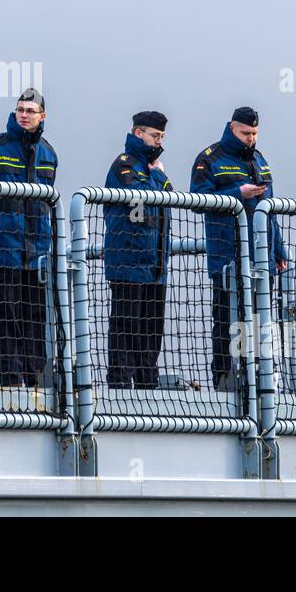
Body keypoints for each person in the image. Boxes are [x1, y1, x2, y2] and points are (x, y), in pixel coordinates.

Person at [191, 106, 288, 390]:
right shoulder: (209, 159)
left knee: (258, 323)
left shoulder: (260, 160)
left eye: (255, 133)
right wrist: (237, 194)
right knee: (226, 321)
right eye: (246, 133)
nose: (251, 138)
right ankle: (224, 379)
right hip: (227, 260)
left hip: (261, 260)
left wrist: (279, 250)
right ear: (232, 128)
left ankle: (257, 381)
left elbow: (269, 211)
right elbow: (197, 200)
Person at [0, 89, 58, 387]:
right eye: (20, 109)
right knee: (6, 318)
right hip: (3, 253)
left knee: (34, 320)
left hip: (36, 257)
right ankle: (10, 381)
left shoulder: (49, 153)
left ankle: (35, 380)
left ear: (42, 116)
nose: (24, 115)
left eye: (31, 111)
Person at [102, 111, 172, 389]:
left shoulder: (151, 168)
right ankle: (119, 385)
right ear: (138, 133)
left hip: (155, 265)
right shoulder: (124, 165)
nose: (158, 141)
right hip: (129, 262)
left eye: (162, 137)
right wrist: (158, 176)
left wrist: (158, 177)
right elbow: (144, 196)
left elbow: (168, 194)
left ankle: (147, 385)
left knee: (151, 332)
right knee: (125, 327)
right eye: (155, 136)